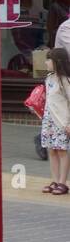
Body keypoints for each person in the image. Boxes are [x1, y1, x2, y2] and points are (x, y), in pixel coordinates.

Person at [42, 47, 70, 194]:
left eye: (48, 59)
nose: (46, 62)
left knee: (62, 151)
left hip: (62, 122)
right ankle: (54, 180)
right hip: (49, 120)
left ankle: (63, 183)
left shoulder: (65, 80)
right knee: (51, 150)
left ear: (57, 62)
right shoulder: (49, 78)